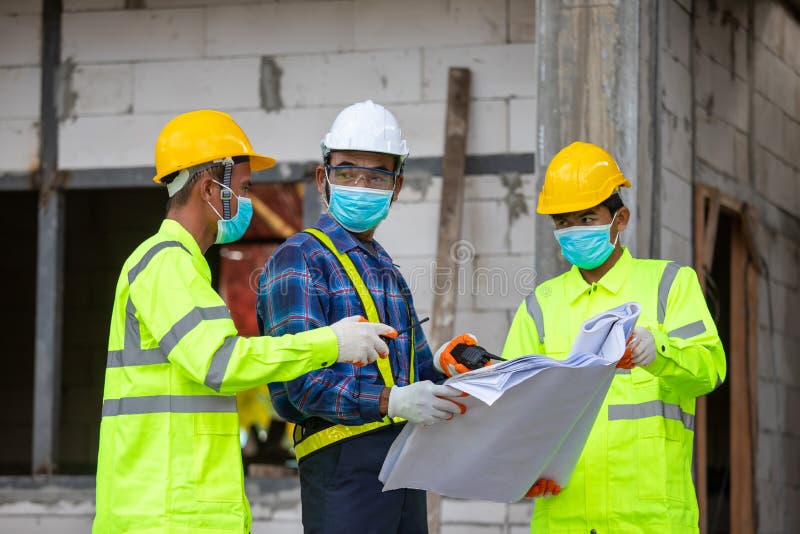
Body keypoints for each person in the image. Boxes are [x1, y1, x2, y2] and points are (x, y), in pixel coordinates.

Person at [93, 110, 395, 534]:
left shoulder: (182, 267)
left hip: (176, 506)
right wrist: (330, 343)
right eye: (246, 188)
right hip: (164, 513)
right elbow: (221, 362)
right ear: (209, 188)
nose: (251, 201)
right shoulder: (166, 264)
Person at [257, 100, 474, 534]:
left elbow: (418, 370)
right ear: (323, 178)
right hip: (342, 469)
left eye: (376, 176)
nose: (360, 184)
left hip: (404, 462)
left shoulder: (385, 269)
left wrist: (467, 374)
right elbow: (298, 385)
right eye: (347, 172)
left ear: (396, 188)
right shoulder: (301, 258)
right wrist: (390, 400)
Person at [503, 141, 727, 533]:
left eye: (587, 219)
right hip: (564, 518)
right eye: (563, 222)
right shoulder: (541, 305)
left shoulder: (669, 284)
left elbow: (709, 370)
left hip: (652, 521)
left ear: (619, 219)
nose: (574, 231)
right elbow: (510, 405)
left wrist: (656, 350)